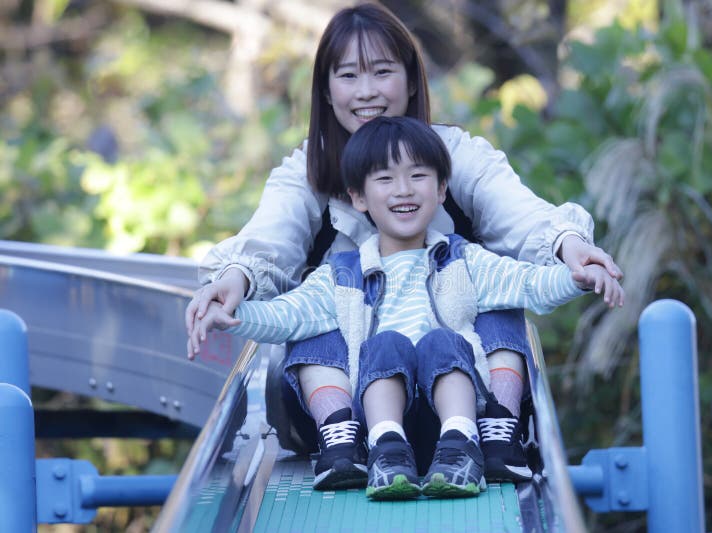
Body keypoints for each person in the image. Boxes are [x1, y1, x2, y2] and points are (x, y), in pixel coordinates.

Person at [185, 3, 623, 491]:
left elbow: (521, 215)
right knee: (319, 301)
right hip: (349, 406)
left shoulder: (454, 156)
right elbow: (269, 240)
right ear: (326, 92)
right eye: (348, 75)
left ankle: (499, 427)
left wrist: (567, 248)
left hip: (459, 400)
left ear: (411, 81)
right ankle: (343, 439)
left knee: (497, 292)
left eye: (382, 71)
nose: (367, 91)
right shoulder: (309, 173)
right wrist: (234, 281)